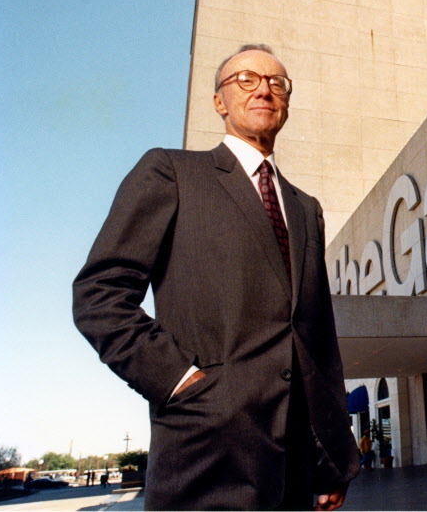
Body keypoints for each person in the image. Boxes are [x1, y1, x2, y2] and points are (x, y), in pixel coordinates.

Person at [73, 44, 360, 510]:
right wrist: (180, 382)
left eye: (276, 83)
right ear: (219, 101)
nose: (264, 89)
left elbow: (318, 342)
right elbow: (99, 294)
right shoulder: (172, 172)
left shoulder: (306, 208)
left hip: (296, 467)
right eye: (246, 79)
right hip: (205, 453)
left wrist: (334, 456)